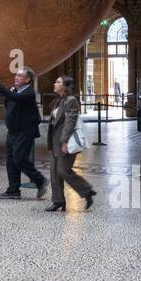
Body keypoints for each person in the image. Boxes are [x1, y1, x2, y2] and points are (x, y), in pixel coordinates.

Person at [0, 67, 47, 200]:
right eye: (16, 75)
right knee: (10, 161)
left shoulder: (29, 93)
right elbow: (9, 104)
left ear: (27, 80)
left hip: (24, 131)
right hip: (13, 131)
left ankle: (40, 180)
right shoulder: (16, 91)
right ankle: (13, 190)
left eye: (20, 76)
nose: (16, 77)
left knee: (19, 158)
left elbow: (14, 98)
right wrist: (9, 93)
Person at [45, 75, 95, 211]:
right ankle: (58, 201)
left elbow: (70, 122)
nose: (54, 83)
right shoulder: (58, 101)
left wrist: (64, 141)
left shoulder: (71, 101)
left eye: (58, 82)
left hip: (65, 141)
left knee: (63, 170)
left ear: (65, 86)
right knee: (54, 172)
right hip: (55, 141)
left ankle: (87, 191)